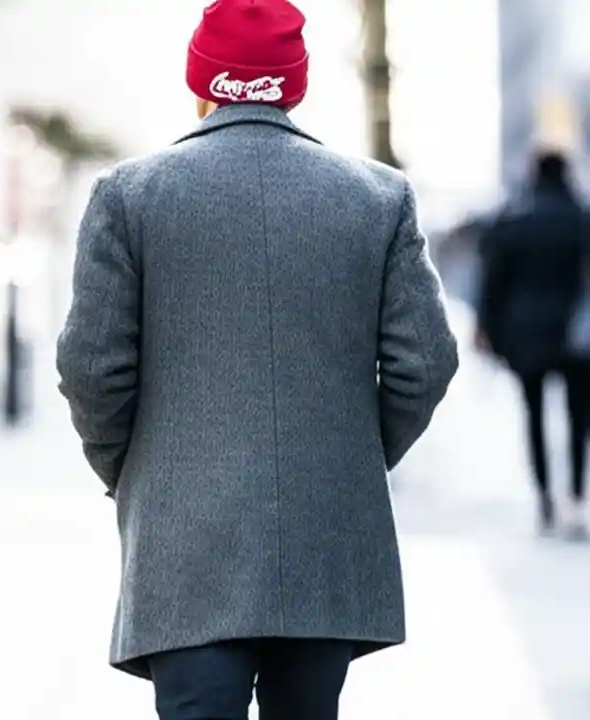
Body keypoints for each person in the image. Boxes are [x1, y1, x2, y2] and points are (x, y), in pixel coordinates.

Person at [57, 1, 458, 717]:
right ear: (293, 85)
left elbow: (92, 367)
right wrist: (355, 455)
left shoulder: (130, 197)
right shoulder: (378, 198)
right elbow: (424, 363)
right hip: (326, 533)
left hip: (185, 544)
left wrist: (129, 467)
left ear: (202, 81)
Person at [476, 150, 590, 538]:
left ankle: (543, 498)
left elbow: (493, 284)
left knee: (534, 416)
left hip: (525, 334)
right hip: (579, 333)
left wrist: (486, 330)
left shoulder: (513, 220)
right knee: (578, 418)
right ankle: (576, 498)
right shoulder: (587, 218)